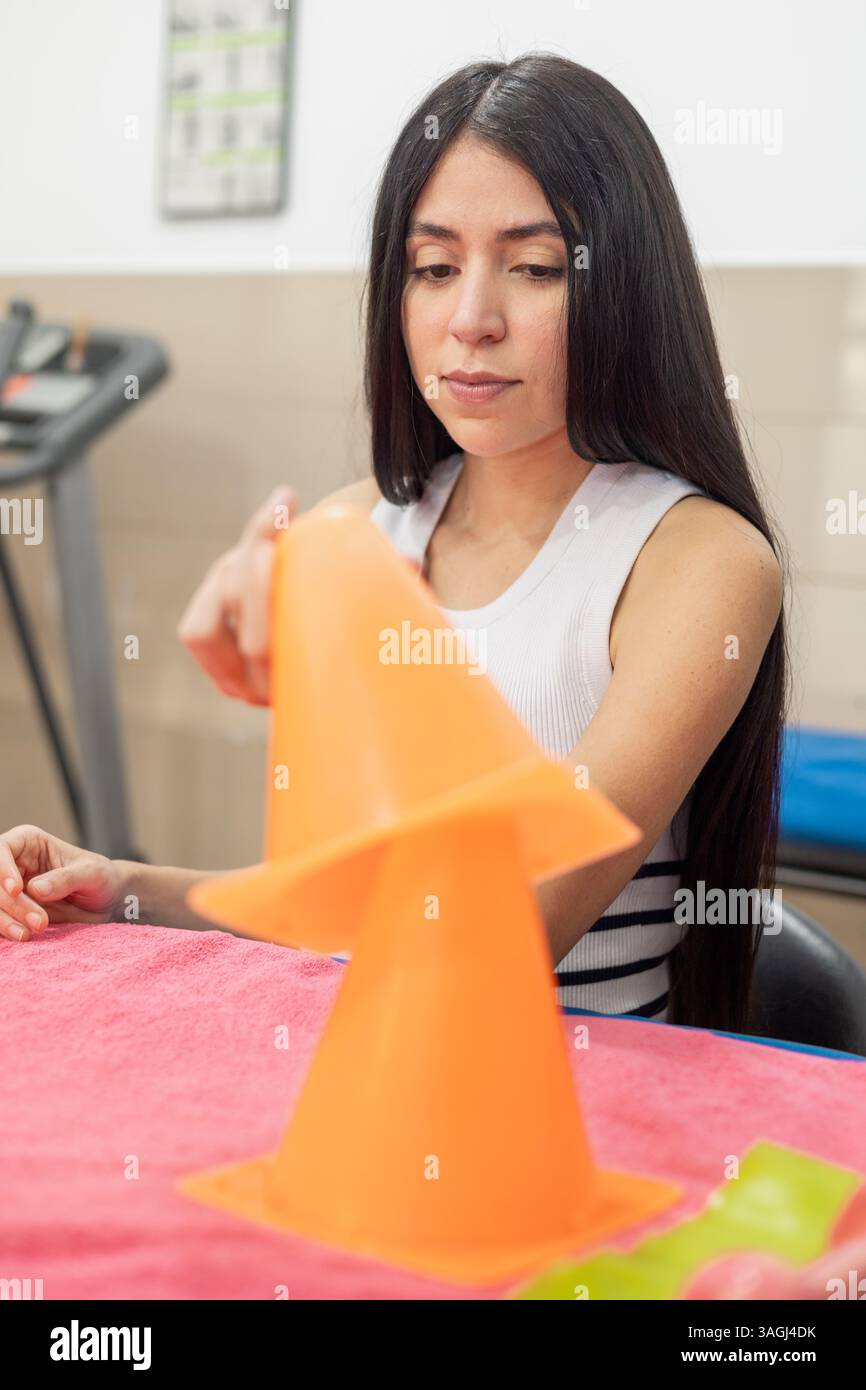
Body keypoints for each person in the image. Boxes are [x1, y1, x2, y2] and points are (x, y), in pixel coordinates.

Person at [0, 53, 787, 1033]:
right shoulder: (353, 528)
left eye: (536, 268)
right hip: (369, 1084)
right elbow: (336, 909)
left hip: (580, 1098)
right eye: (432, 267)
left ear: (621, 283)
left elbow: (508, 925)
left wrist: (359, 633)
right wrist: (114, 884)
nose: (470, 320)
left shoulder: (695, 561)